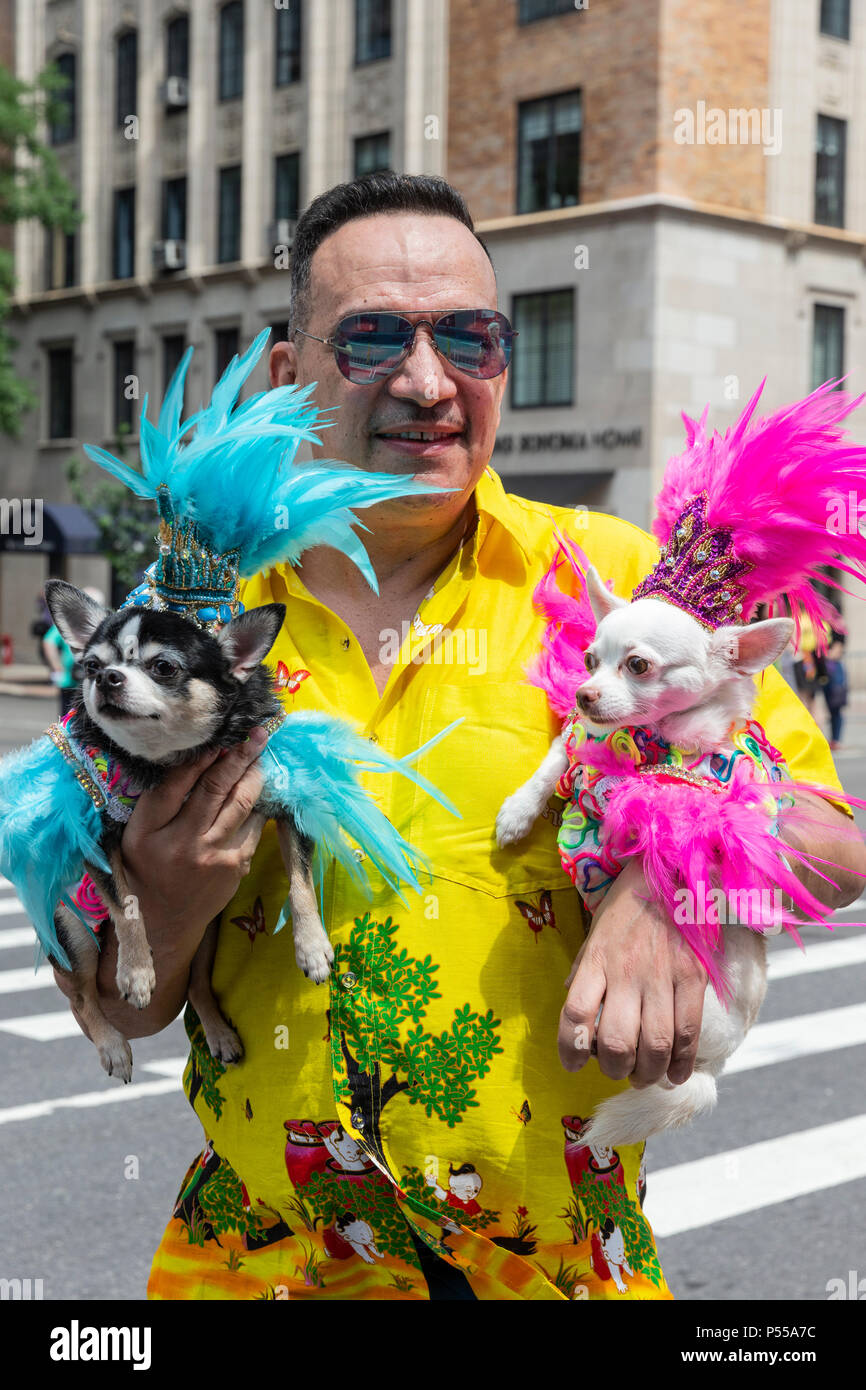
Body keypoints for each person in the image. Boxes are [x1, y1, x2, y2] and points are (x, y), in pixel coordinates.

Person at [54, 174, 866, 1301]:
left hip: (553, 1270)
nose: (427, 381)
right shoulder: (177, 629)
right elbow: (123, 1003)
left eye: (470, 338)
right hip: (260, 1268)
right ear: (290, 377)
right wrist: (171, 885)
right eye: (373, 338)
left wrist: (664, 880)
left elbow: (832, 840)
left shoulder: (621, 584)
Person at [823, 631, 848, 750]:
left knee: (835, 705)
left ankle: (835, 739)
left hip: (832, 668)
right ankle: (829, 739)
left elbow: (839, 646)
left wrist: (827, 655)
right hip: (820, 667)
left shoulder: (836, 625)